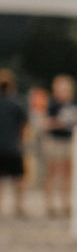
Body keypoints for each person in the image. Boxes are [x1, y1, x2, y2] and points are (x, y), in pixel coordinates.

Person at [42, 73, 77, 220]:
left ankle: (66, 202)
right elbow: (46, 122)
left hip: (68, 140)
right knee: (52, 172)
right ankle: (50, 203)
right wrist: (58, 123)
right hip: (55, 140)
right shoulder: (52, 105)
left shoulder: (73, 104)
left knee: (67, 174)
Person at [0, 70, 27, 216]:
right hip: (12, 146)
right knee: (19, 178)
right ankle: (19, 206)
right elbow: (24, 125)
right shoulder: (16, 104)